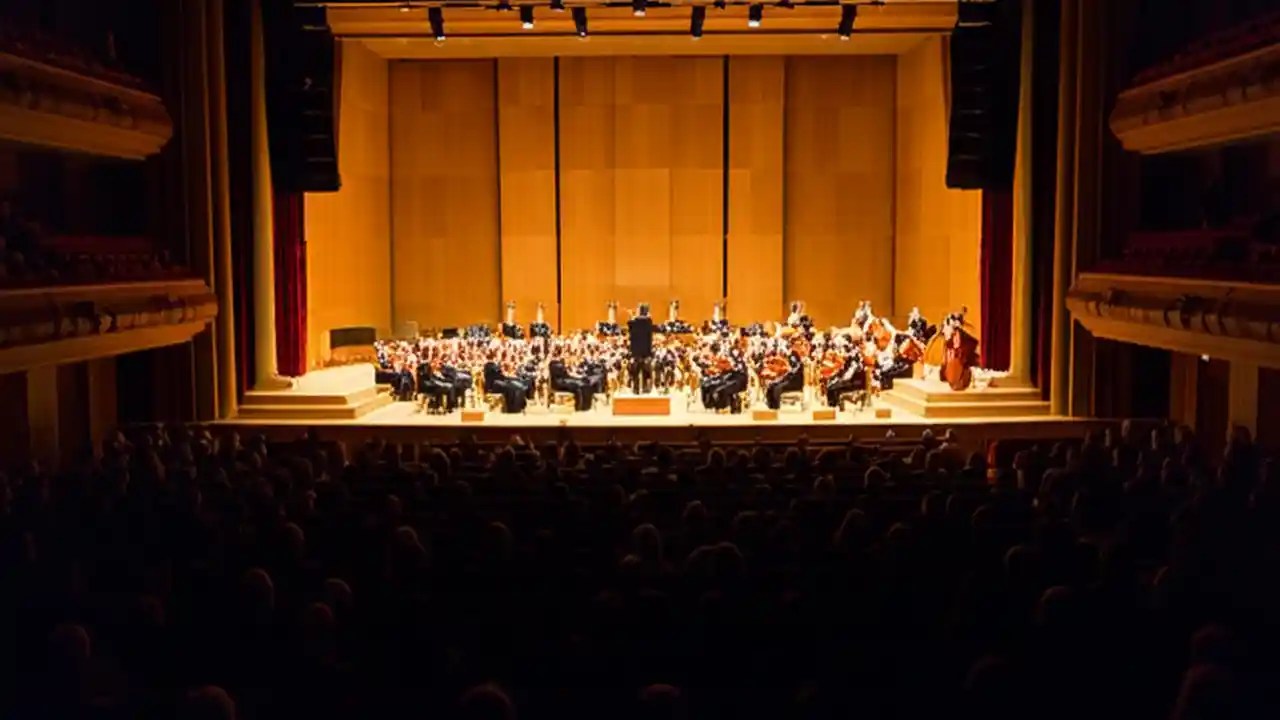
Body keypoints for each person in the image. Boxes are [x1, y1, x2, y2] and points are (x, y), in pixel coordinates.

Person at [628, 303, 655, 394]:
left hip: (636, 351)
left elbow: (630, 327)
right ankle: (645, 388)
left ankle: (635, 389)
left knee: (635, 371)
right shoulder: (649, 321)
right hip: (646, 351)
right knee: (645, 371)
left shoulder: (634, 322)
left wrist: (632, 316)